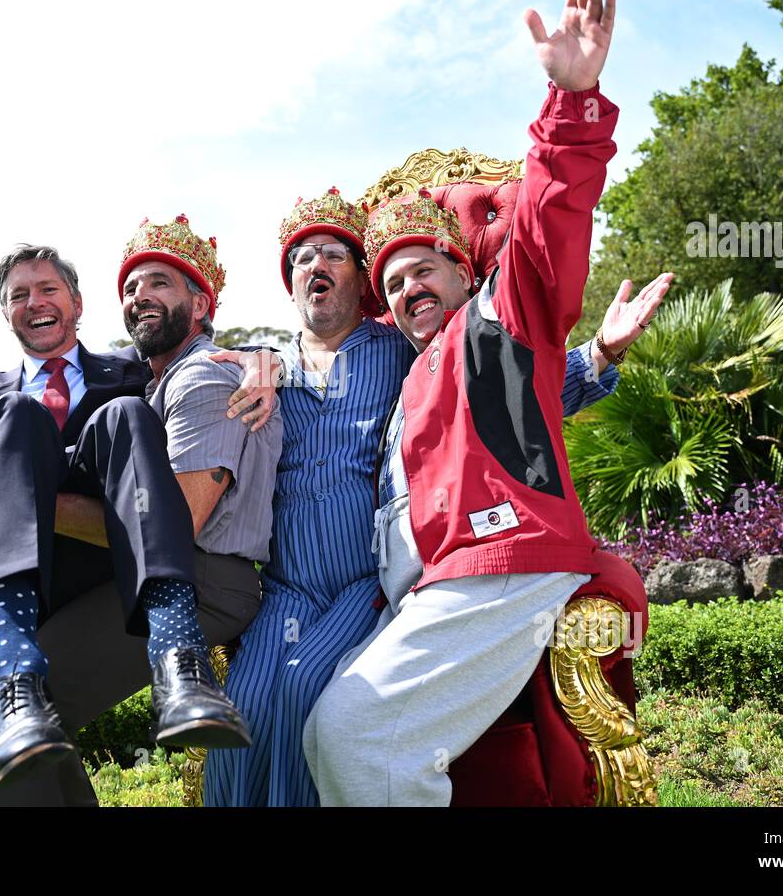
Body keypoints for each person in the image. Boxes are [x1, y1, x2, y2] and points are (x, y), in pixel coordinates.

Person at [303, 0, 659, 806]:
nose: (406, 289)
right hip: (431, 590)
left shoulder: (502, 313)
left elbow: (548, 217)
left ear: (467, 275)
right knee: (321, 729)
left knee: (350, 740)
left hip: (499, 568)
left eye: (424, 268)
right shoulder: (403, 370)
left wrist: (572, 104)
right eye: (390, 284)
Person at [204, 170, 663, 802]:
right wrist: (253, 366)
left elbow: (503, 389)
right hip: (289, 581)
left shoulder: (403, 347)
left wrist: (596, 358)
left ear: (357, 282)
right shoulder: (260, 363)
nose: (316, 264)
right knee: (245, 705)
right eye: (302, 257)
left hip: (369, 579)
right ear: (289, 281)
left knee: (309, 689)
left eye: (334, 253)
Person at [0, 242, 250, 802]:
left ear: (77, 304)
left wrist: (266, 361)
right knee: (15, 415)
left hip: (96, 565)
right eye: (18, 296)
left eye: (48, 289)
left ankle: (179, 658)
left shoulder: (131, 374)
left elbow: (200, 351)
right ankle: (13, 673)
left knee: (127, 415)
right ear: (5, 314)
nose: (35, 302)